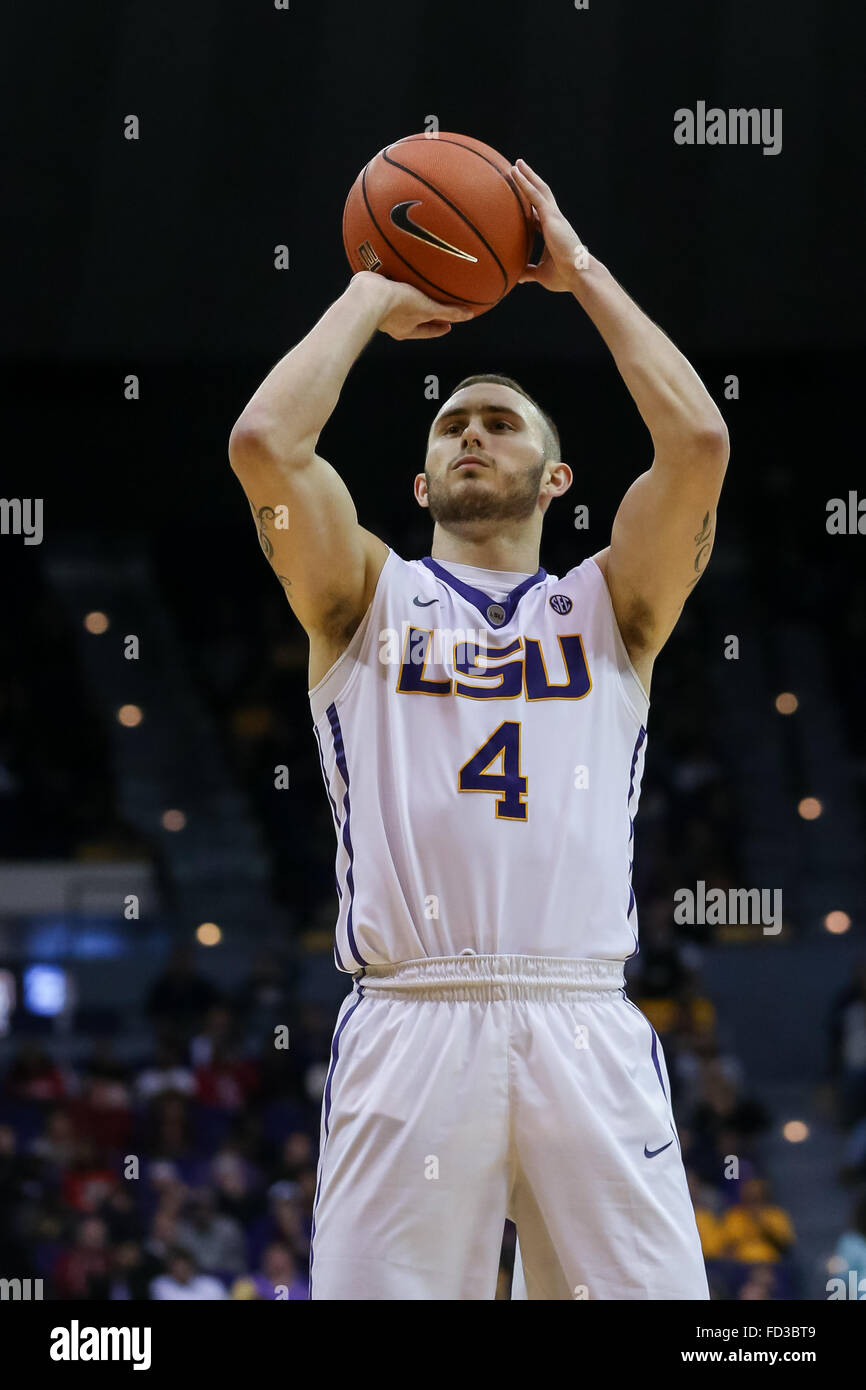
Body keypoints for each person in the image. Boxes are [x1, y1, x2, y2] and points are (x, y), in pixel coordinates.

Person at [229, 158, 729, 1300]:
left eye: (500, 424)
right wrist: (372, 286)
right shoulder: (361, 593)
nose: (472, 436)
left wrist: (578, 271)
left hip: (580, 1017)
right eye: (452, 424)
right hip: (412, 1016)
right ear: (416, 481)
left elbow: (697, 447)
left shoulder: (614, 604)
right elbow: (265, 444)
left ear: (554, 476)